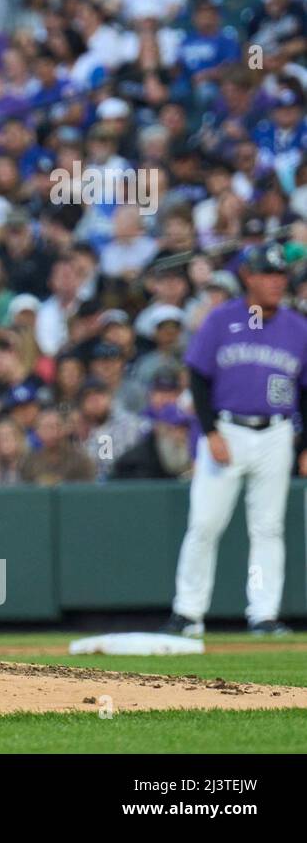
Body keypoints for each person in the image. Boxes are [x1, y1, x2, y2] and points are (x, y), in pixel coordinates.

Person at [165, 244, 302, 637]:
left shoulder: (297, 327)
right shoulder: (222, 320)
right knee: (205, 523)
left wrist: (305, 443)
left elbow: (306, 391)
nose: (277, 282)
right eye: (269, 274)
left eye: (281, 275)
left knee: (268, 528)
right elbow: (198, 377)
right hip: (226, 429)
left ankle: (263, 613)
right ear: (249, 277)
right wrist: (209, 431)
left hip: (277, 432)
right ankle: (187, 612)